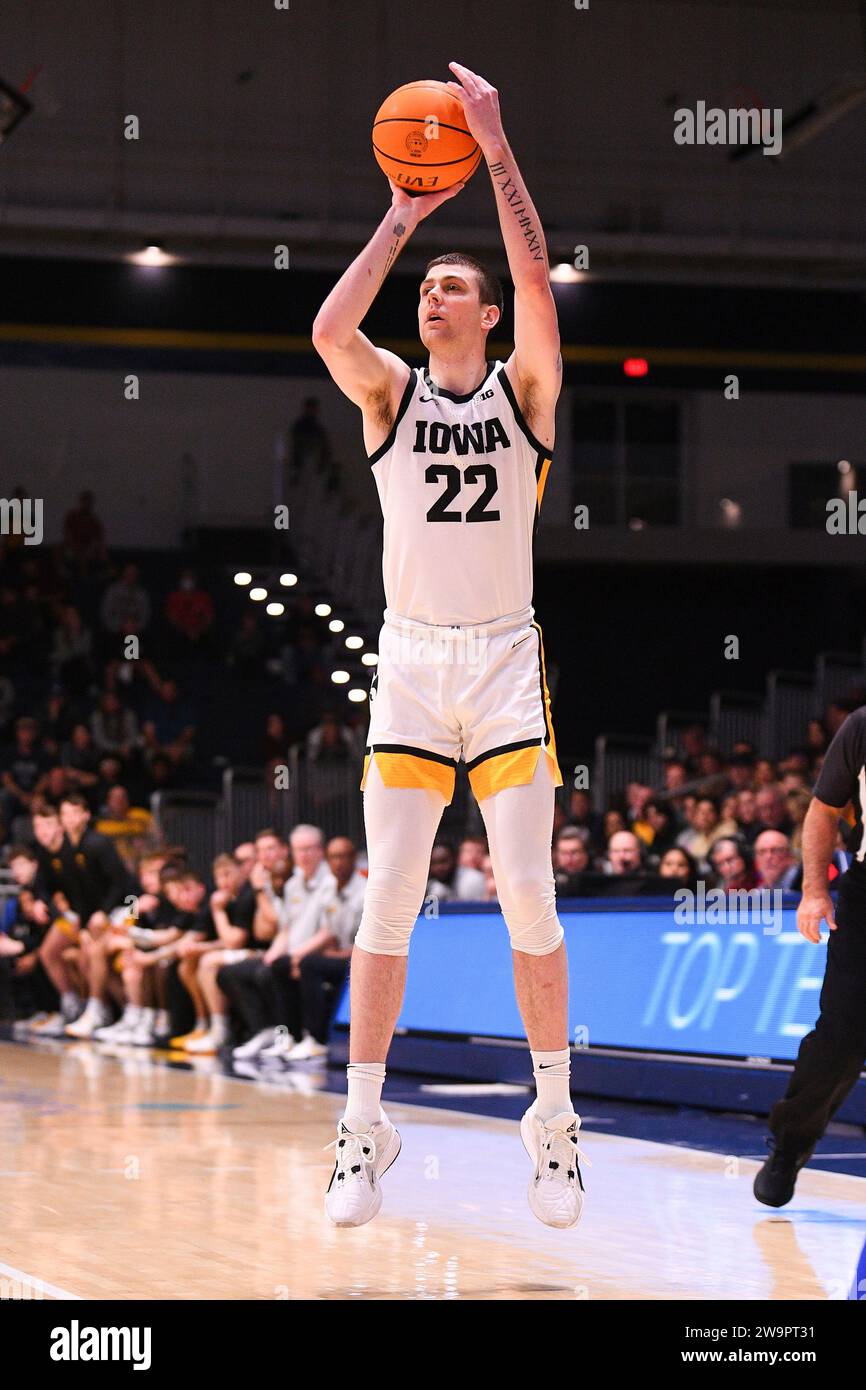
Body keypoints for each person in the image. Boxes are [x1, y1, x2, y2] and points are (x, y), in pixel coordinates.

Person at [313, 62, 587, 1229]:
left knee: (526, 891)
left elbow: (534, 268)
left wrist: (493, 144)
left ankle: (553, 1120)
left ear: (484, 315)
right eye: (426, 286)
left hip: (502, 661)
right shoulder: (389, 400)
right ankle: (361, 1121)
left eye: (451, 285)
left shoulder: (525, 392)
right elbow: (330, 324)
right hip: (414, 666)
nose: (433, 296)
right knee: (389, 898)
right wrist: (401, 215)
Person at [754, 705, 866, 1207]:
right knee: (841, 1034)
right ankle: (791, 1145)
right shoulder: (861, 727)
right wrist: (814, 891)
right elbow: (823, 810)